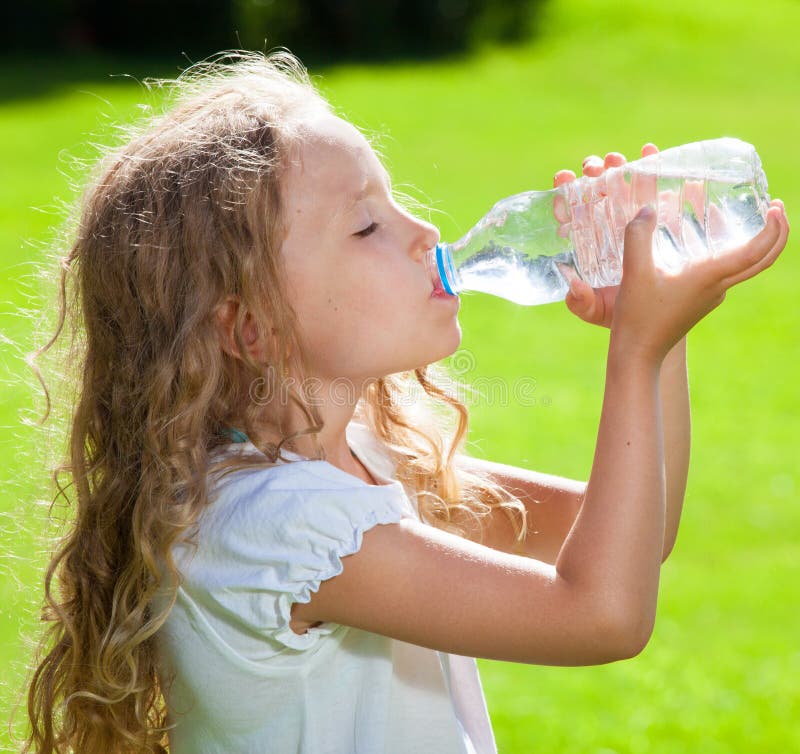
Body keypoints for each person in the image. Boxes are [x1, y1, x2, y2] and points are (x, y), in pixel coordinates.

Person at [22, 50, 789, 754]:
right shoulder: (281, 524)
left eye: (396, 206)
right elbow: (603, 614)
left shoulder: (363, 463)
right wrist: (637, 353)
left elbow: (631, 536)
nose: (426, 231)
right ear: (251, 327)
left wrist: (656, 337)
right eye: (367, 225)